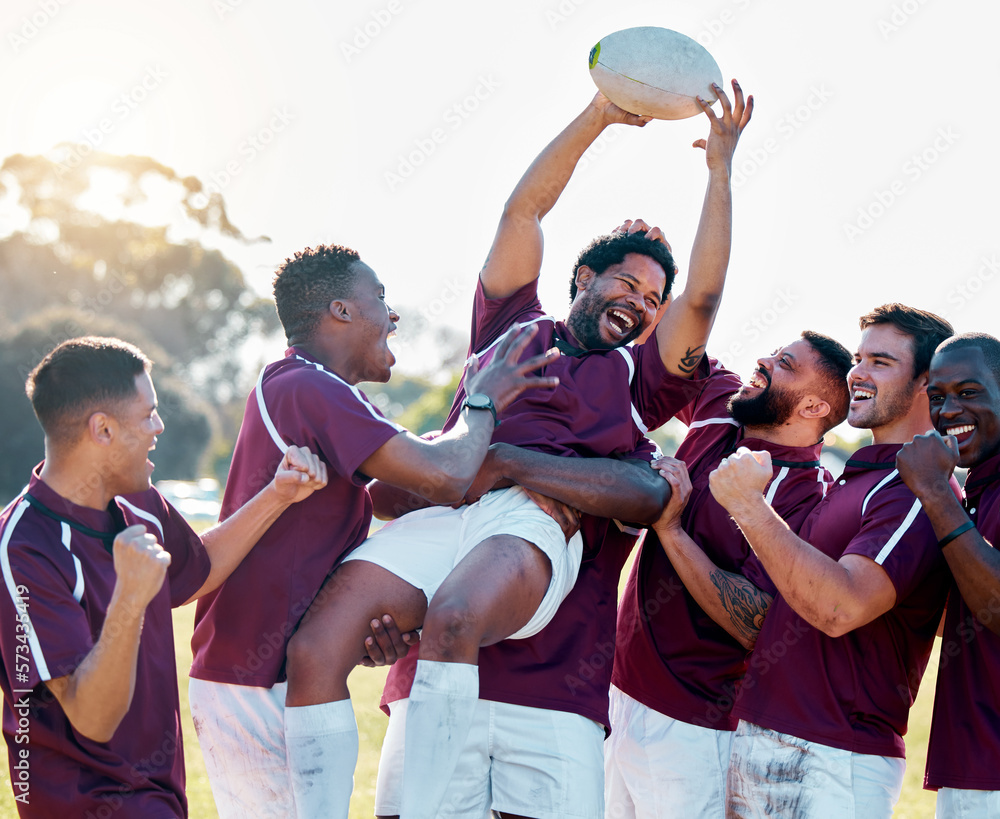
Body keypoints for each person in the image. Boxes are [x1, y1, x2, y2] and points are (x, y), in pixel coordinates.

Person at [364, 80, 753, 819]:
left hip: (557, 685)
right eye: (629, 281)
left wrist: (720, 170)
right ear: (584, 278)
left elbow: (702, 297)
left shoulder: (638, 381)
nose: (642, 301)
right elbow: (524, 210)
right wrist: (602, 114)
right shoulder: (510, 330)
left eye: (651, 297)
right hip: (440, 664)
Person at [187, 244, 562, 817]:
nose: (393, 316)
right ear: (341, 311)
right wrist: (483, 398)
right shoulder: (306, 388)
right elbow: (444, 475)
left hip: (271, 666)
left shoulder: (326, 393)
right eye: (380, 299)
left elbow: (403, 489)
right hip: (249, 671)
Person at [0, 336, 327, 818]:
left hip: (160, 800)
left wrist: (278, 495)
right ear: (103, 430)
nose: (160, 426)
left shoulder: (140, 504)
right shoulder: (23, 548)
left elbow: (198, 570)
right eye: (147, 413)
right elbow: (92, 718)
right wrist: (129, 597)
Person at [705, 304, 954, 817]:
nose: (857, 373)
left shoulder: (916, 489)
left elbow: (841, 607)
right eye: (859, 359)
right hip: (767, 735)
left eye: (880, 362)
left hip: (832, 756)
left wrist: (750, 506)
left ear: (927, 382)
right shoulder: (864, 474)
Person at [606, 329, 853, 817]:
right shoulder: (724, 402)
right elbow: (679, 330)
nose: (763, 360)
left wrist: (671, 528)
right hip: (612, 693)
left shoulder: (811, 497)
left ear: (813, 407)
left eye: (785, 364)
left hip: (694, 729)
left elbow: (756, 624)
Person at [895, 332, 1000, 817]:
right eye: (937, 397)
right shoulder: (981, 486)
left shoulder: (951, 490)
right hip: (973, 767)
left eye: (970, 392)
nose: (949, 410)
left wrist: (936, 490)